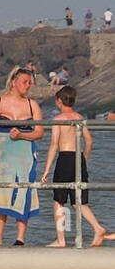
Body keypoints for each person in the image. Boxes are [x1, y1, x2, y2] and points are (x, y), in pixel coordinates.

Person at [0, 65, 43, 245]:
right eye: (24, 82)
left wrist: (22, 134)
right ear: (13, 82)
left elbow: (39, 132)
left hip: (24, 151)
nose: (27, 85)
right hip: (1, 152)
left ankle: (20, 238)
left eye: (29, 83)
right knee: (0, 189)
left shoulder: (32, 105)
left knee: (23, 189)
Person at [41, 85, 109, 246]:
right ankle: (98, 228)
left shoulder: (58, 120)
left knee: (59, 201)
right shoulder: (79, 117)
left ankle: (61, 239)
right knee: (78, 201)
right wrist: (84, 158)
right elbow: (89, 140)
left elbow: (53, 145)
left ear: (59, 101)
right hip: (78, 158)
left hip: (65, 158)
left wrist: (46, 170)